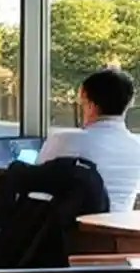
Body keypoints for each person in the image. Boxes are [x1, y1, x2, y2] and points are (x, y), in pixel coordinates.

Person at [37, 68, 140, 212]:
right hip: (117, 231)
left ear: (90, 104)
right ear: (129, 103)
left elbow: (36, 191)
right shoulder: (137, 147)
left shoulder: (64, 140)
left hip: (70, 231)